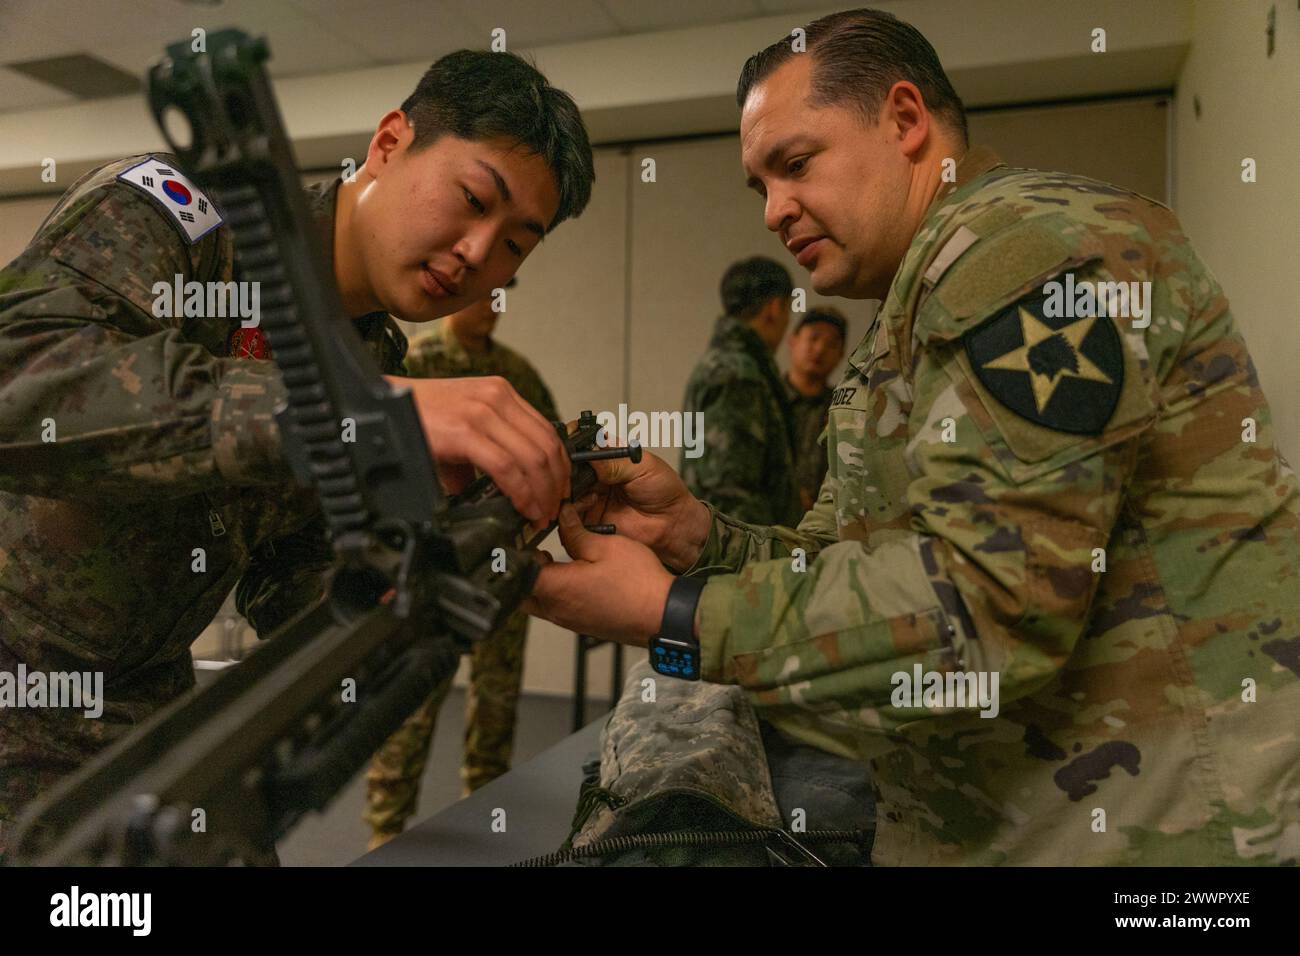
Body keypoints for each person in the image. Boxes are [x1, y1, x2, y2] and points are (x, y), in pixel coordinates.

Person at [526, 7, 1300, 865]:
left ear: (904, 119)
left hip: (1160, 840)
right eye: (761, 187)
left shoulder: (1024, 254)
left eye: (795, 164)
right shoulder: (908, 310)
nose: (776, 212)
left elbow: (992, 606)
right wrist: (694, 538)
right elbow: (846, 562)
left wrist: (668, 610)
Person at [0, 49, 594, 849]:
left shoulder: (370, 356)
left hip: (145, 708)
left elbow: (285, 571)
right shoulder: (187, 217)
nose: (477, 256)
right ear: (389, 143)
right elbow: (21, 377)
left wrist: (427, 554)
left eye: (516, 245)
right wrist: (349, 415)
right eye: (472, 199)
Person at [364, 280, 559, 849]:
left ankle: (487, 805)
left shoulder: (512, 374)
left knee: (497, 694)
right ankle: (386, 828)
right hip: (429, 557)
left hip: (500, 556)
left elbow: (548, 448)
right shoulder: (419, 363)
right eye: (484, 294)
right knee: (413, 698)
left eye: (501, 296)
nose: (492, 305)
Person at [679, 256, 801, 526]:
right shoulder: (738, 373)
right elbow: (731, 495)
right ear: (774, 308)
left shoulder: (725, 363)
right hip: (742, 560)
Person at [784, 307, 847, 511]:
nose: (820, 349)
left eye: (831, 344)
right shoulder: (765, 398)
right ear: (793, 341)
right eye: (813, 338)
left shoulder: (843, 407)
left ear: (841, 355)